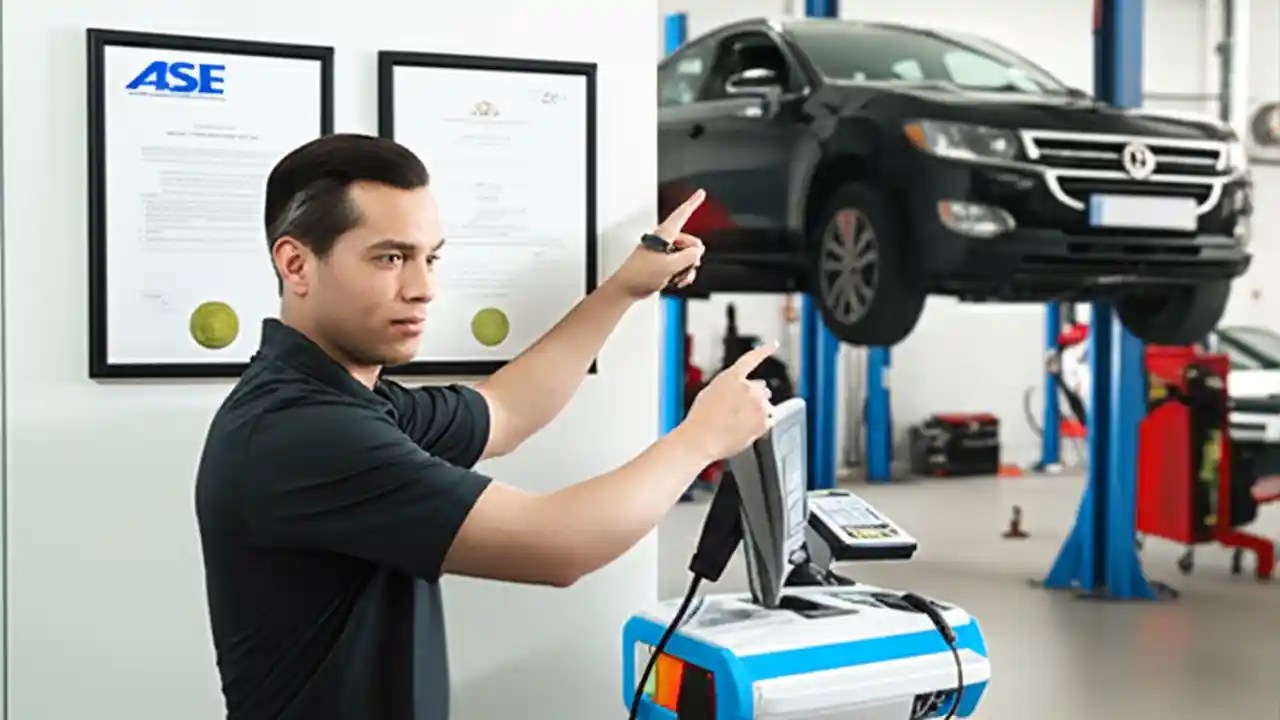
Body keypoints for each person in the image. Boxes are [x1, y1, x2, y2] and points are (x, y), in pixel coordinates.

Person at [194, 133, 778, 720]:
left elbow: (506, 410)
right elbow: (559, 544)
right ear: (296, 264)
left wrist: (624, 288)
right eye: (390, 258)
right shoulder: (301, 433)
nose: (423, 289)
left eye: (430, 258)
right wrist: (700, 438)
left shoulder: (352, 403)